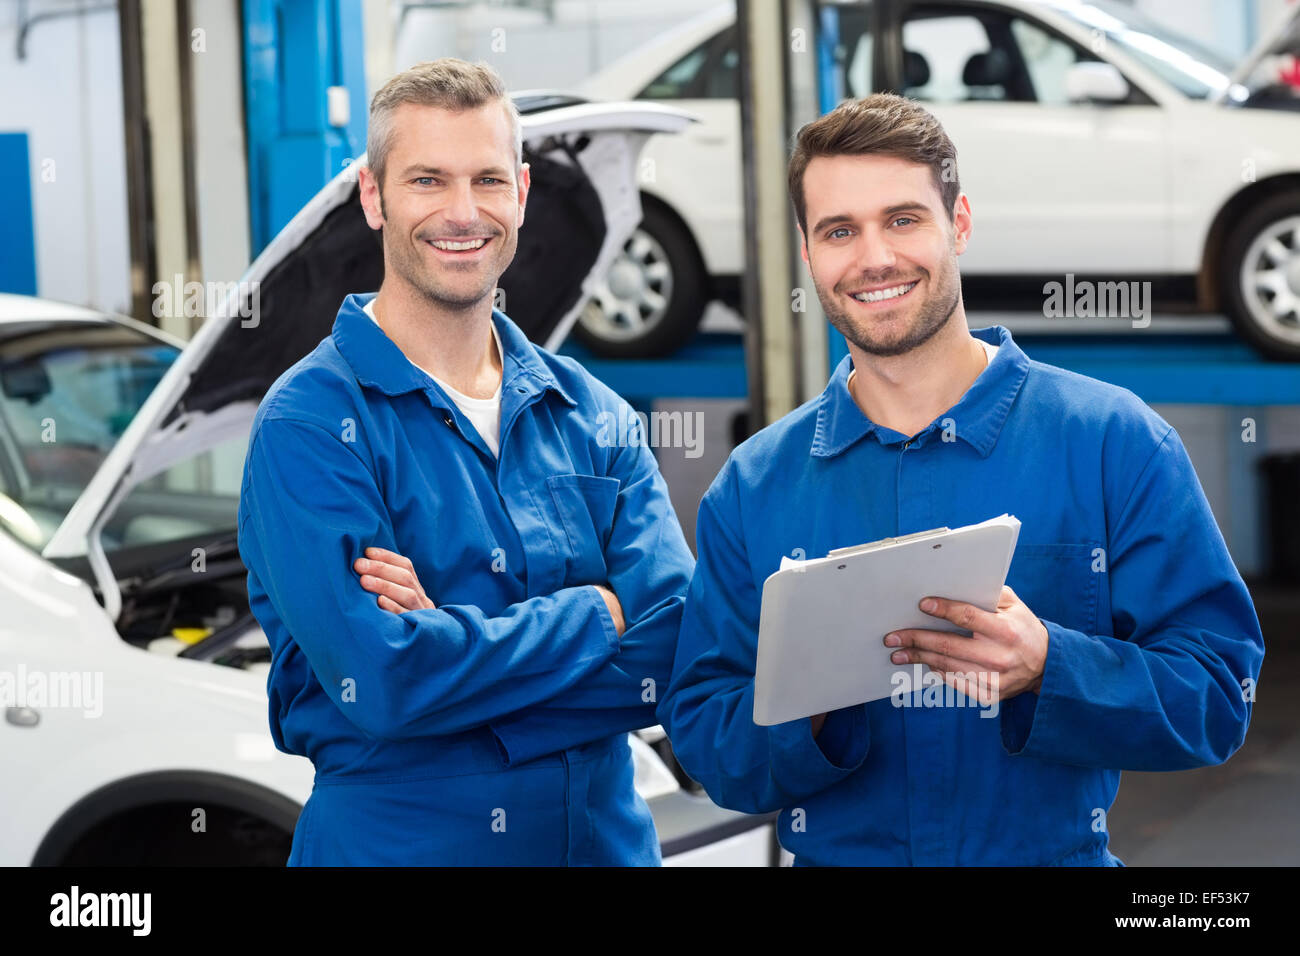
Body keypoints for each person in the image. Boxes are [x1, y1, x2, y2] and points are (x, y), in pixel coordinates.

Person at [657, 93, 1266, 866]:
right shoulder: (754, 486)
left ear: (961, 224)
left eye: (903, 219)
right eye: (840, 231)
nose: (875, 258)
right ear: (807, 255)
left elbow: (1217, 694)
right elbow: (707, 743)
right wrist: (803, 705)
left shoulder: (1113, 442)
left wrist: (1050, 664)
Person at [237, 58, 693, 865]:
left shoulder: (591, 412)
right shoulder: (309, 425)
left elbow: (674, 648)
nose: (462, 212)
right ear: (373, 196)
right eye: (427, 181)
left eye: (487, 180)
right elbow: (384, 682)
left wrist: (448, 645)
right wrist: (599, 615)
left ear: (521, 193)